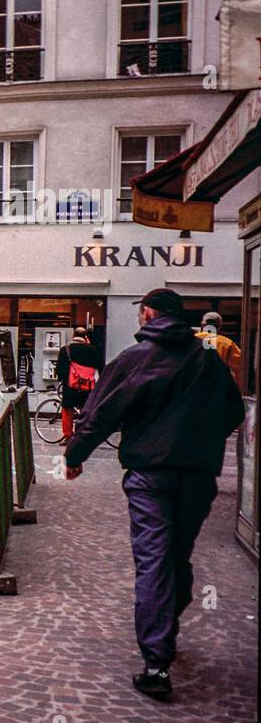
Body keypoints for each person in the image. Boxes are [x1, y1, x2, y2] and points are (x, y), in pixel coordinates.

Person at [65, 288, 244, 699]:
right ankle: (165, 627)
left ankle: (156, 664)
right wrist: (199, 440)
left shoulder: (134, 359)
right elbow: (233, 410)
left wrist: (75, 456)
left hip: (151, 475)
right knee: (175, 556)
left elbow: (100, 414)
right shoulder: (207, 360)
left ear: (147, 314)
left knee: (154, 560)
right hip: (197, 475)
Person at [54, 329, 103, 441]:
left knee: (67, 410)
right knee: (84, 410)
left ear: (73, 335)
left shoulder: (66, 349)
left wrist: (62, 379)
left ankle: (68, 436)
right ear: (85, 337)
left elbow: (60, 369)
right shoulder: (93, 350)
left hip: (70, 386)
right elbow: (100, 367)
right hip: (86, 386)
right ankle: (82, 434)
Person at [196, 311, 243, 389]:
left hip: (192, 389)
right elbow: (239, 369)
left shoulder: (189, 340)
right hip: (215, 389)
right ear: (219, 326)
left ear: (202, 325)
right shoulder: (227, 344)